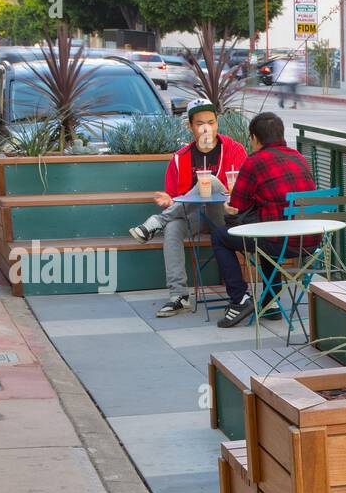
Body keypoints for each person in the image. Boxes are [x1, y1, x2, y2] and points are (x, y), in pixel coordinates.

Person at [128, 98, 248, 318]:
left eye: (211, 122)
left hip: (226, 216)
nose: (206, 128)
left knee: (209, 181)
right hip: (193, 216)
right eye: (200, 123)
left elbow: (244, 190)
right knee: (173, 229)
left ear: (217, 123)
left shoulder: (235, 150)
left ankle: (156, 222)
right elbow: (176, 199)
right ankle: (179, 296)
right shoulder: (179, 158)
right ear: (190, 126)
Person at [209, 112, 320, 329]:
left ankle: (239, 299)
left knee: (220, 237)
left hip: (281, 240)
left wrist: (226, 207)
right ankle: (271, 303)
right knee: (268, 235)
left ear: (255, 138)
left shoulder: (254, 161)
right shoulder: (297, 156)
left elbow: (237, 207)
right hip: (311, 241)